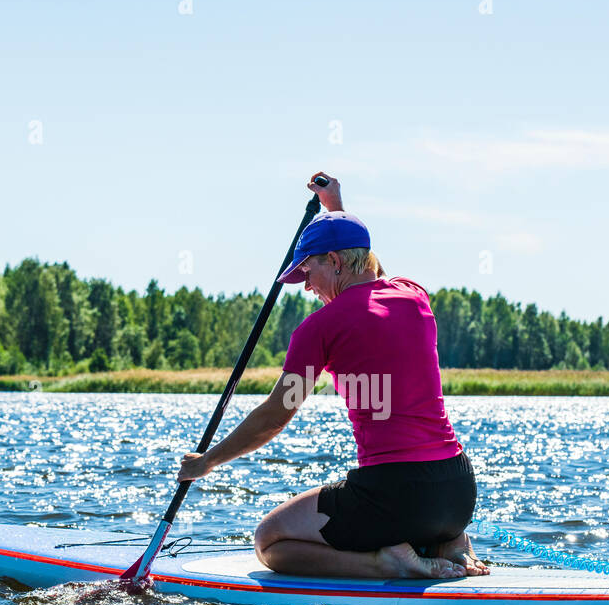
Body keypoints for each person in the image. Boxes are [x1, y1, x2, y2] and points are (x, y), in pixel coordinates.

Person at [177, 173, 487, 579]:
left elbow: (275, 415)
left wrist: (208, 462)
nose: (306, 287)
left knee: (270, 541)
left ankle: (384, 563)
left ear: (335, 262)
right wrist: (335, 208)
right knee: (410, 513)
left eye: (306, 272)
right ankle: (449, 543)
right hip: (457, 493)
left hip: (396, 496)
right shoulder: (414, 295)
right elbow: (371, 270)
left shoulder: (319, 329)